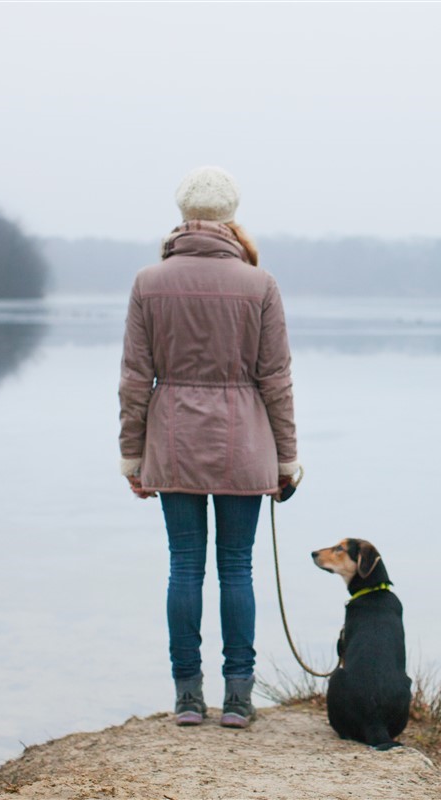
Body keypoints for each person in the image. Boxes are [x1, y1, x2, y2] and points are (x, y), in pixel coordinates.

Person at [118, 166, 301, 729]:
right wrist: (288, 457)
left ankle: (188, 697)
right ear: (231, 217)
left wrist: (132, 453)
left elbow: (133, 377)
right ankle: (240, 700)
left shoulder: (149, 282)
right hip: (244, 444)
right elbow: (276, 378)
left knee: (184, 567)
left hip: (172, 442)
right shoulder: (259, 283)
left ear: (182, 215)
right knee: (237, 568)